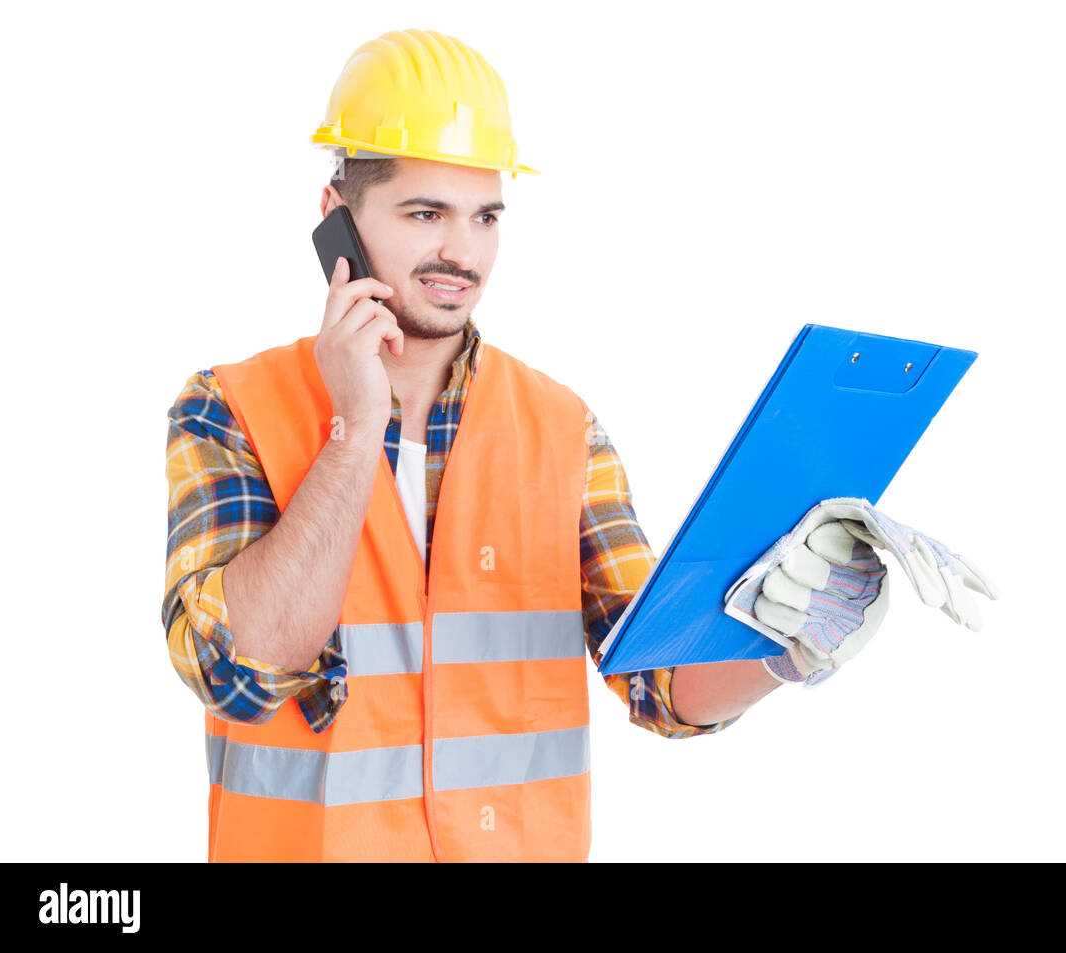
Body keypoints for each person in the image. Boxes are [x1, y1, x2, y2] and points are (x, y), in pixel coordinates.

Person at [162, 29, 785, 862]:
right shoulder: (230, 409)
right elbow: (234, 674)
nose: (463, 252)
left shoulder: (565, 430)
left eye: (485, 216)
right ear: (336, 220)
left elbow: (663, 684)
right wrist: (353, 432)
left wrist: (789, 641)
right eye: (426, 214)